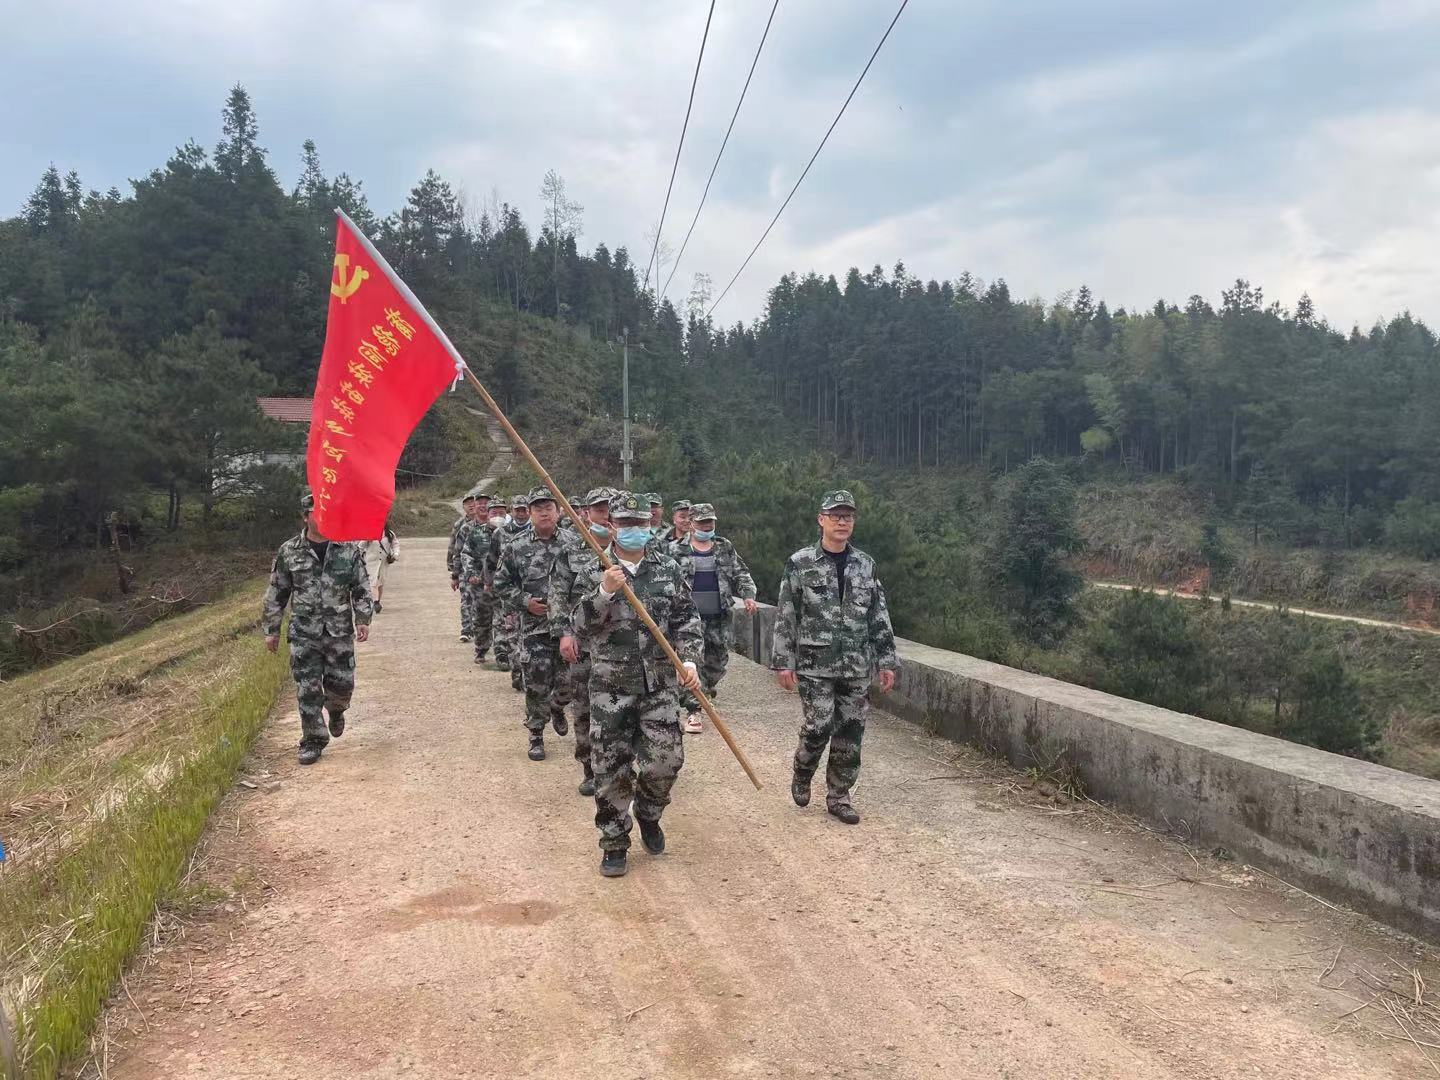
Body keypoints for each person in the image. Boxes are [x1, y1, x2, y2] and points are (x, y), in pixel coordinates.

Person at [570, 491, 702, 878]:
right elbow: (578, 625)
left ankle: (648, 812)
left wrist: (688, 659)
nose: (634, 531)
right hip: (611, 686)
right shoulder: (594, 568)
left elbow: (687, 619)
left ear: (651, 526)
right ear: (611, 526)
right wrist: (604, 592)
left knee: (667, 762)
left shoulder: (667, 569)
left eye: (641, 525)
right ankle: (613, 842)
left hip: (658, 684)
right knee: (611, 769)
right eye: (626, 525)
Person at [770, 490, 898, 825]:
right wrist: (783, 660)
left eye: (848, 516)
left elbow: (878, 614)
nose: (842, 521)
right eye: (836, 515)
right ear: (821, 519)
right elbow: (787, 613)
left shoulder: (865, 565)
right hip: (815, 663)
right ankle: (803, 769)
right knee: (818, 725)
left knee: (851, 731)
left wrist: (886, 660)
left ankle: (839, 795)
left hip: (856, 663)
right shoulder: (800, 563)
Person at [262, 492, 374, 765]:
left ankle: (336, 711)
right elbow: (277, 592)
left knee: (342, 685)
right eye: (316, 512)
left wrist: (363, 618)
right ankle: (312, 740)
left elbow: (361, 588)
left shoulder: (348, 550)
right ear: (305, 516)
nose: (322, 516)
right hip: (304, 633)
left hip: (338, 632)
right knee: (307, 688)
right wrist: (272, 629)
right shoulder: (289, 551)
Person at [494, 488, 571, 760]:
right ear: (530, 513)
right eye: (538, 508)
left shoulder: (573, 543)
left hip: (568, 629)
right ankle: (536, 734)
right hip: (534, 627)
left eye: (549, 506)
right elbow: (500, 584)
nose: (544, 512)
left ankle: (558, 706)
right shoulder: (516, 546)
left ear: (559, 511)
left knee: (569, 682)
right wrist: (525, 601)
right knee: (536, 683)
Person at [669, 503, 757, 734]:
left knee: (717, 663)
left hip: (718, 616)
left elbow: (741, 572)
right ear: (691, 523)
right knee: (691, 662)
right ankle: (693, 709)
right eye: (702, 523)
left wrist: (748, 595)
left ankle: (704, 691)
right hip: (689, 618)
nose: (707, 526)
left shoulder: (724, 547)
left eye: (710, 522)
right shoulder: (674, 550)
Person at [551, 487, 614, 796]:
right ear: (587, 514)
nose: (607, 515)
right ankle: (589, 768)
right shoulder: (571, 550)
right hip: (585, 646)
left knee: (621, 710)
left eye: (612, 509)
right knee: (585, 708)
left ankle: (619, 765)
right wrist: (564, 633)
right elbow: (559, 595)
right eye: (600, 510)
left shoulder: (633, 551)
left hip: (623, 649)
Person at [457, 489, 500, 665]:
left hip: (504, 583)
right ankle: (481, 648)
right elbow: (463, 553)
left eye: (486, 503)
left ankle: (503, 653)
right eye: (480, 503)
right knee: (482, 617)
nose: (483, 506)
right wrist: (468, 574)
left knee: (505, 619)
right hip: (480, 583)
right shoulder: (471, 530)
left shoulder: (510, 533)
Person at [490, 495, 531, 677]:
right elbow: (491, 562)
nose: (521, 514)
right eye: (517, 510)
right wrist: (489, 582)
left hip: (533, 593)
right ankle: (517, 674)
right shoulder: (500, 533)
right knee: (513, 635)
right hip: (510, 593)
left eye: (524, 510)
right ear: (511, 511)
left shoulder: (537, 531)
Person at [447, 491, 483, 641]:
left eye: (473, 502)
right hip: (463, 569)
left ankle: (479, 629)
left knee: (481, 601)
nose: (471, 505)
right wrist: (454, 573)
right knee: (466, 599)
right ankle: (466, 629)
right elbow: (453, 548)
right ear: (463, 507)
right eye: (467, 503)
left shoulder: (488, 522)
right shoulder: (460, 525)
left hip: (482, 570)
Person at [364, 523, 398, 613]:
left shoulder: (389, 534)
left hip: (383, 562)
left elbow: (395, 545)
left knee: (381, 582)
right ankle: (375, 602)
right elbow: (360, 546)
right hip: (371, 562)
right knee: (373, 581)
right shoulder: (369, 533)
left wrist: (395, 554)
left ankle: (377, 600)